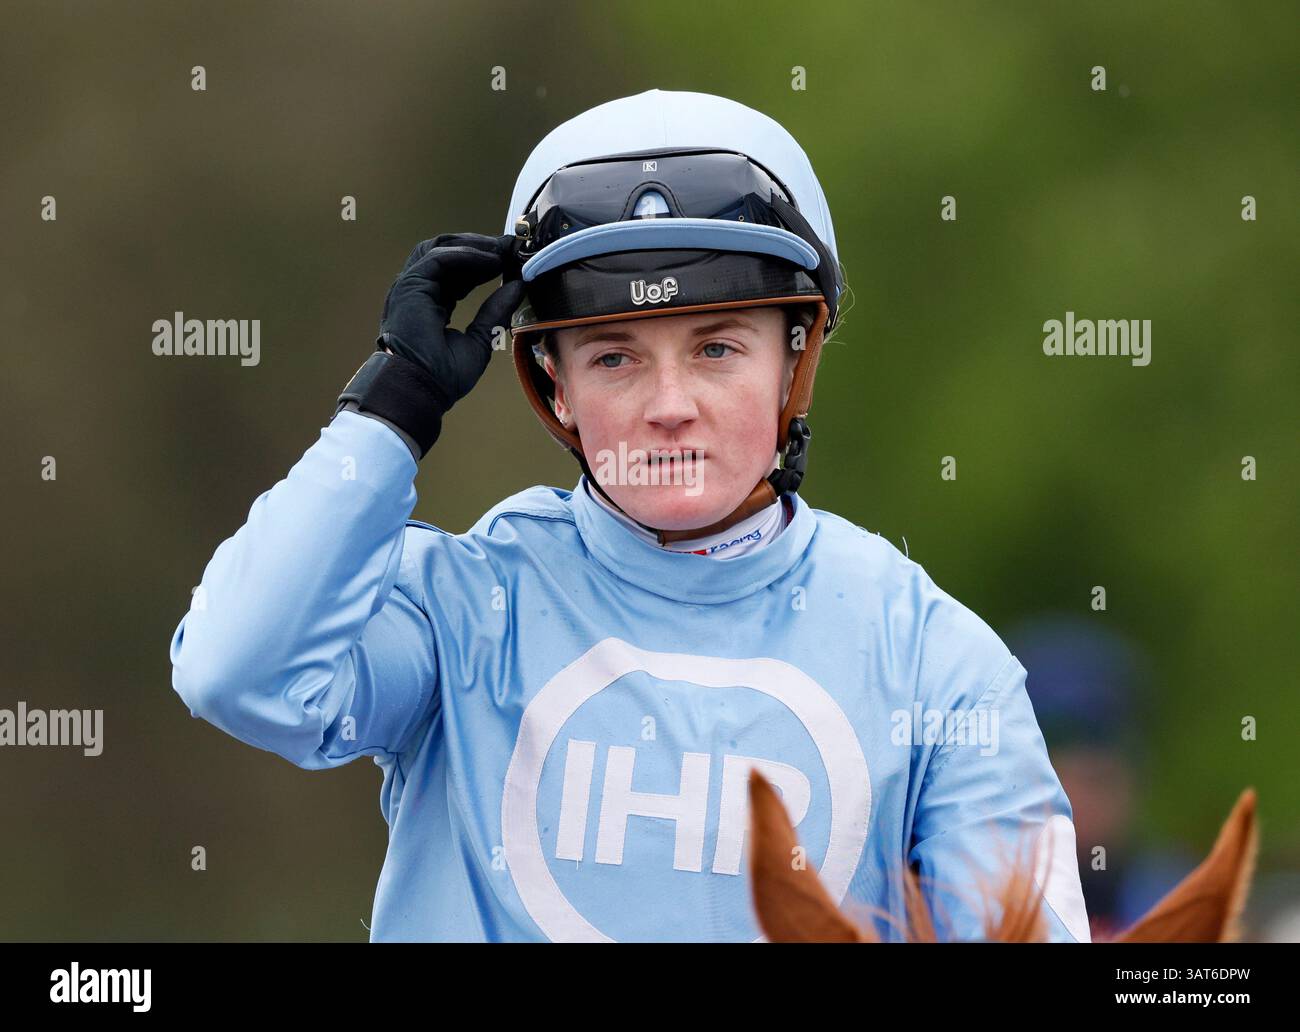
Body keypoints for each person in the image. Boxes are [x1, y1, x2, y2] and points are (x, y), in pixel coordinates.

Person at [168, 88, 1090, 942]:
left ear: (795, 362)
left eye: (718, 348)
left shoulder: (937, 662)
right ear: (553, 386)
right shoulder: (460, 604)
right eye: (614, 358)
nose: (670, 404)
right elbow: (232, 672)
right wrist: (386, 414)